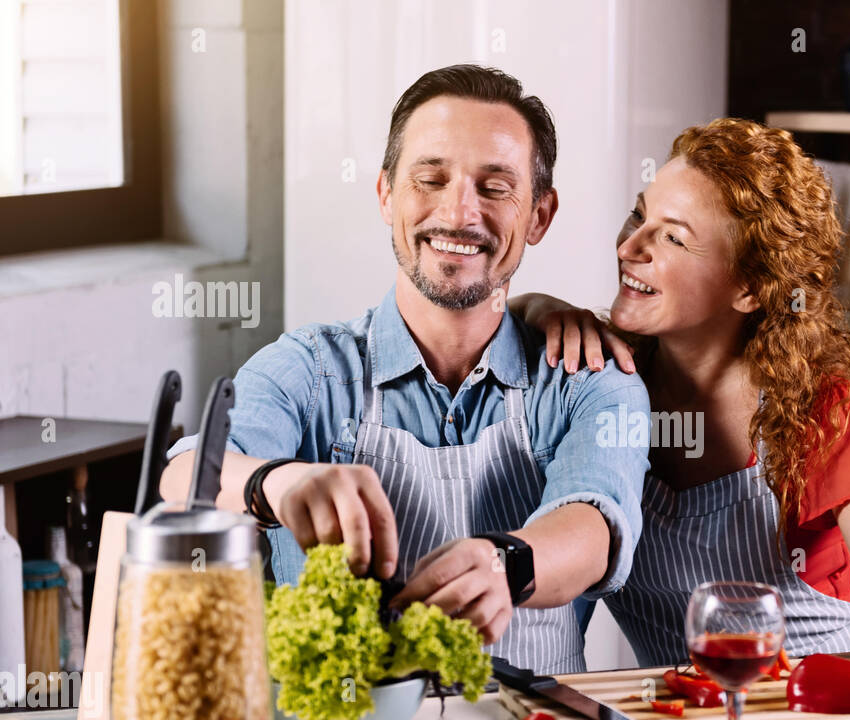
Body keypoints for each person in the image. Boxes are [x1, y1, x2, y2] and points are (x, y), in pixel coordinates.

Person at [161, 65, 650, 675]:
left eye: (495, 187)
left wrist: (508, 564)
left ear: (539, 216)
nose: (457, 213)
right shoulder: (312, 369)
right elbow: (185, 474)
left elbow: (596, 522)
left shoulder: (589, 378)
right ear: (386, 193)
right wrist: (279, 485)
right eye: (430, 178)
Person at [513, 119, 850, 720]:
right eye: (638, 216)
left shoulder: (827, 414)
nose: (630, 247)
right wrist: (538, 307)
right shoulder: (598, 387)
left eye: (672, 239)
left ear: (750, 288)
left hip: (829, 715)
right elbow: (499, 324)